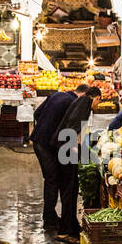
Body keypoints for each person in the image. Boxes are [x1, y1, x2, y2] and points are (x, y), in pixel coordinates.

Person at [31, 83, 84, 231]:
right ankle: (49, 220)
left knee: (53, 179)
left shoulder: (57, 94)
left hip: (39, 140)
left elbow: (36, 114)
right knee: (52, 180)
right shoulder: (73, 103)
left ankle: (51, 216)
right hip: (45, 145)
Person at [55, 84, 95, 244]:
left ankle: (69, 228)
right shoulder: (85, 103)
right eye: (99, 102)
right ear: (96, 97)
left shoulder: (81, 102)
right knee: (69, 191)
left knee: (69, 191)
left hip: (66, 150)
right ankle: (66, 231)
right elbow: (73, 125)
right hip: (67, 152)